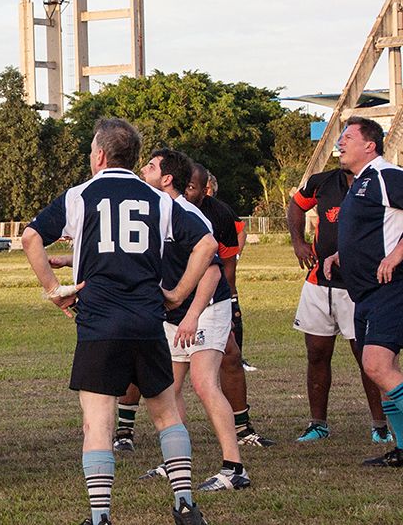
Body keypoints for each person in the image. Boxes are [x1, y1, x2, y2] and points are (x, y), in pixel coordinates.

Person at [22, 119, 214, 525]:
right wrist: (177, 294)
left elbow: (30, 237)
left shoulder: (80, 195)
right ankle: (184, 502)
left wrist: (55, 288)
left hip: (99, 322)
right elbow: (207, 243)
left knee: (98, 421)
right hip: (146, 319)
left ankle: (101, 516)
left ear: (100, 155)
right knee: (166, 413)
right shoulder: (159, 199)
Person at [137, 149, 249, 493]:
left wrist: (192, 315)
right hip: (174, 313)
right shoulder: (153, 211)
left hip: (205, 308)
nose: (143, 169)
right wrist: (70, 260)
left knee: (204, 384)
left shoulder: (185, 213)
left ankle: (234, 468)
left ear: (167, 178)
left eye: (151, 166)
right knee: (168, 390)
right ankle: (175, 463)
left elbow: (213, 271)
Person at [287, 165, 389, 443]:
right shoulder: (322, 181)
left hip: (360, 285)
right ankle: (318, 424)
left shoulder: (382, 180)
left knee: (368, 358)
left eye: (348, 141)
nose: (341, 146)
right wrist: (298, 241)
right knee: (317, 353)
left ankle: (380, 425)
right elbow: (296, 205)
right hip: (319, 283)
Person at [324, 116, 403, 467]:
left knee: (376, 364)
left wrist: (397, 255)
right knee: (380, 371)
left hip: (391, 287)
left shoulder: (388, 175)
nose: (340, 142)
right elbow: (373, 228)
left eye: (348, 137)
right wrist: (344, 253)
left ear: (369, 145)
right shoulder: (360, 182)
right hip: (364, 292)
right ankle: (401, 449)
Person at [185, 164, 275, 448]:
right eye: (185, 185)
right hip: (168, 295)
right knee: (145, 356)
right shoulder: (162, 208)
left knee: (231, 355)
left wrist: (232, 301)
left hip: (210, 295)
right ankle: (125, 433)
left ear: (205, 190)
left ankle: (243, 428)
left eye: (194, 187)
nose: (190, 191)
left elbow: (226, 266)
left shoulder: (218, 212)